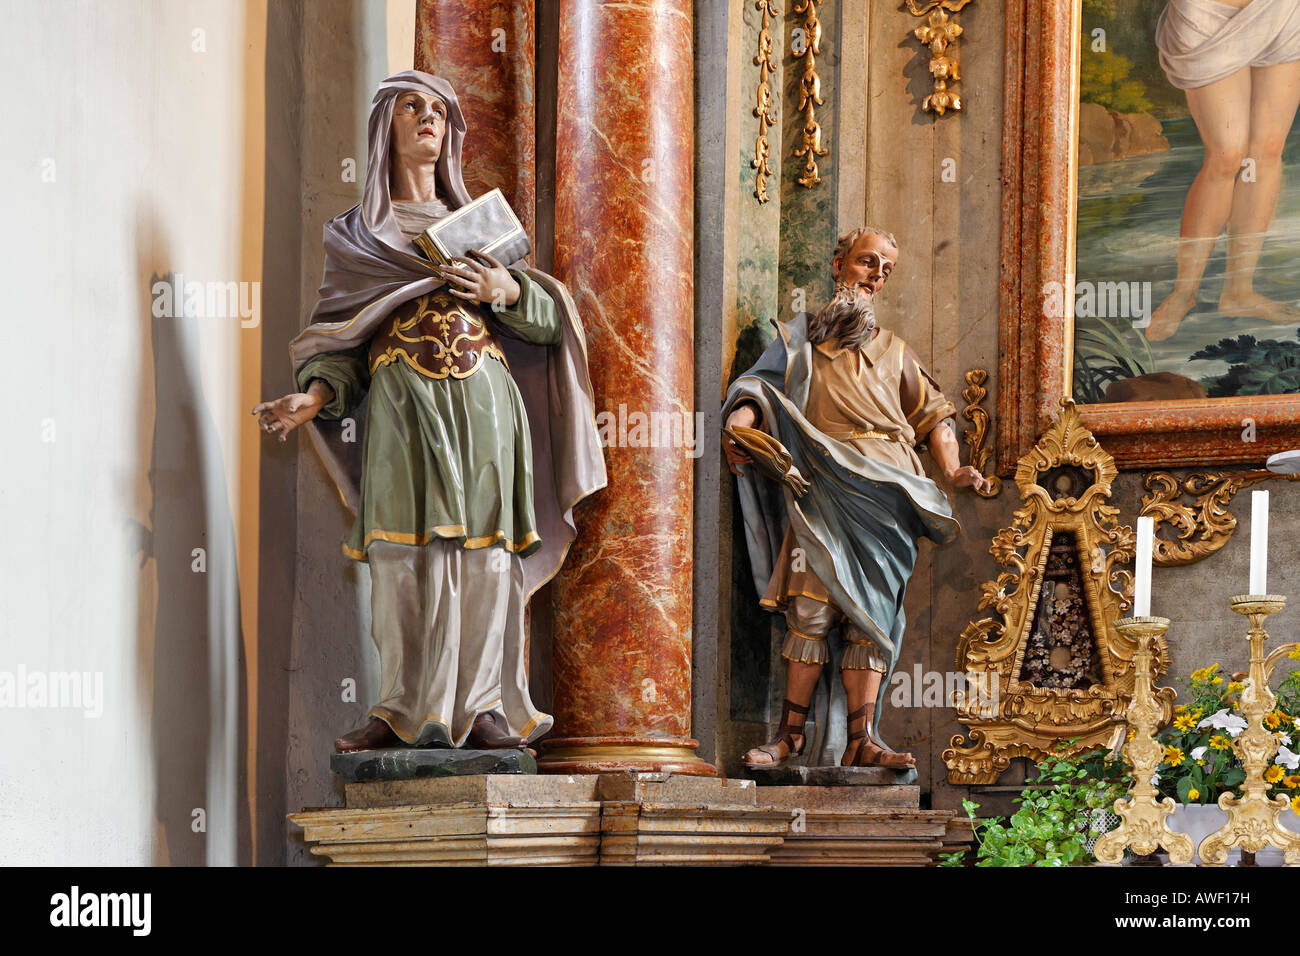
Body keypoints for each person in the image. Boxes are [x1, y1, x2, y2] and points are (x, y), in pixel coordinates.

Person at [253, 71, 605, 753]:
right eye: (412, 106)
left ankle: (485, 707)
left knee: (487, 554)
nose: (427, 118)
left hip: (483, 402)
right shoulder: (356, 238)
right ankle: (401, 709)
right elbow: (341, 340)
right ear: (385, 125)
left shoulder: (481, 228)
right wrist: (315, 397)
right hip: (401, 404)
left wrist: (506, 288)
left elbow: (547, 323)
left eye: (440, 111)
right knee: (398, 554)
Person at [723, 227, 991, 770]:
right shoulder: (797, 343)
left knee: (869, 619)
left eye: (886, 269)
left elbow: (935, 414)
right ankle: (790, 737)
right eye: (868, 262)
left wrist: (955, 467)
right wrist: (740, 422)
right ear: (839, 263)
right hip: (821, 490)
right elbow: (759, 387)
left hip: (889, 499)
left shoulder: (896, 351)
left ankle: (861, 739)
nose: (876, 275)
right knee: (810, 613)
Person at [1147, 0, 1300, 341]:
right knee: (1227, 155)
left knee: (1266, 150)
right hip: (1207, 9)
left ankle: (1238, 291)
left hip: (1279, 6)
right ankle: (1184, 292)